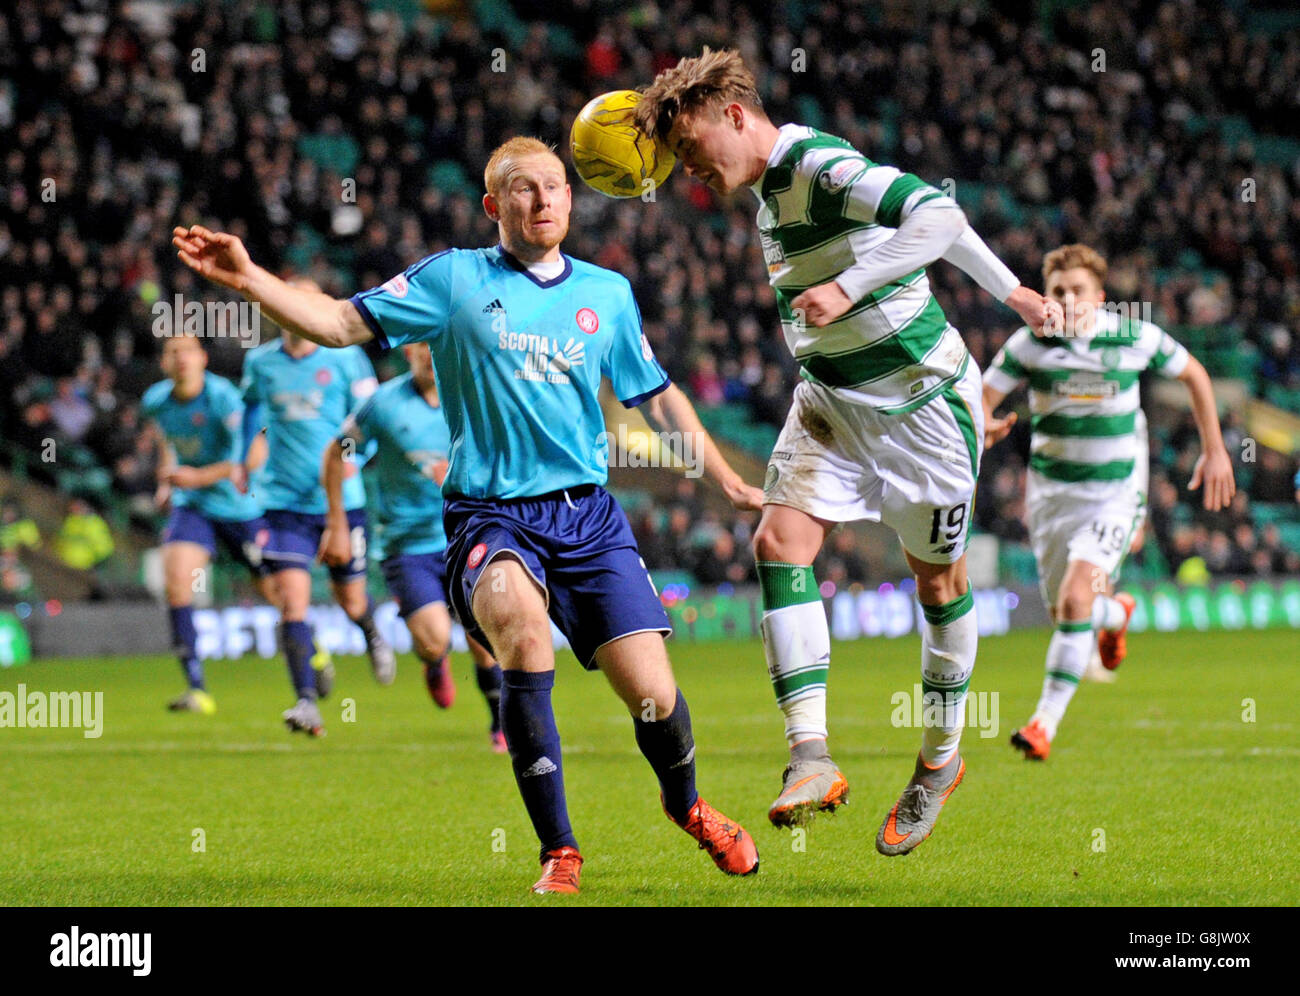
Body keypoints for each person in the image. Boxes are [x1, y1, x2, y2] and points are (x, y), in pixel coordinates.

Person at [172, 136, 764, 895]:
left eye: (555, 186)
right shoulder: (452, 281)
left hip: (587, 516)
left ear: (572, 199)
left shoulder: (607, 295)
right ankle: (560, 850)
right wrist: (250, 277)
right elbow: (340, 324)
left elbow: (658, 397)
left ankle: (687, 806)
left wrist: (723, 479)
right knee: (520, 631)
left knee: (652, 693)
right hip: (492, 516)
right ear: (494, 205)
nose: (544, 199)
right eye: (524, 189)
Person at [635, 48, 1058, 854]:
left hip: (920, 406)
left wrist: (858, 286)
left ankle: (937, 762)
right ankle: (810, 756)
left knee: (939, 584)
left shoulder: (816, 164)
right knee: (777, 541)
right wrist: (1014, 294)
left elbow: (938, 217)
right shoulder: (766, 200)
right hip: (829, 400)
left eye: (691, 148)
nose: (689, 168)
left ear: (734, 115)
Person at [982, 243, 1235, 759]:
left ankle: (1041, 725)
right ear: (1046, 297)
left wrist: (1214, 451)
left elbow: (1195, 374)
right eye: (1057, 291)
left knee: (1076, 599)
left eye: (1078, 290)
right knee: (1066, 611)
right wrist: (982, 422)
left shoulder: (1133, 336)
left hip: (1113, 497)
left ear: (1098, 296)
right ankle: (1115, 615)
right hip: (1051, 499)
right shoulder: (1029, 344)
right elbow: (981, 400)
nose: (1068, 299)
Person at [321, 341, 507, 752]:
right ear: (408, 352)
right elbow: (339, 454)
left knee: (486, 641)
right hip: (407, 545)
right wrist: (336, 520)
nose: (429, 353)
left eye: (438, 343)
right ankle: (434, 660)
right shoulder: (383, 405)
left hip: (470, 536)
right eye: (420, 345)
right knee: (434, 637)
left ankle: (500, 725)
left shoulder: (477, 398)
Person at [239, 282, 396, 737]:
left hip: (340, 505)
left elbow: (372, 417)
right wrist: (241, 456)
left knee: (351, 600)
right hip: (283, 501)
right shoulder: (261, 362)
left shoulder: (347, 357)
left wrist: (357, 461)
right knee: (291, 602)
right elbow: (250, 409)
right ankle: (306, 702)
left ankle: (369, 630)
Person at [142, 332, 278, 713]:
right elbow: (167, 442)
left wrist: (198, 477)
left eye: (187, 350)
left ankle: (309, 648)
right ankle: (196, 688)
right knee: (177, 583)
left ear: (202, 358)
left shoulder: (222, 399)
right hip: (193, 507)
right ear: (164, 363)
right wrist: (165, 481)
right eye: (172, 352)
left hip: (238, 508)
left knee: (273, 592)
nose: (180, 358)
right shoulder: (155, 401)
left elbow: (255, 454)